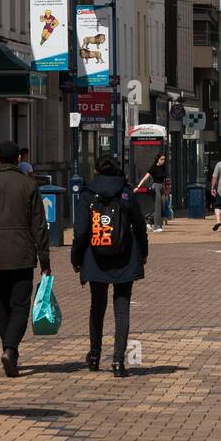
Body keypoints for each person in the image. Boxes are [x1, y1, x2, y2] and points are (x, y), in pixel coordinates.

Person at [0, 140, 51, 378]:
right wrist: (45, 260)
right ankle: (11, 349)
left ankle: (8, 348)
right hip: (22, 254)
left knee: (1, 307)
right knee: (20, 306)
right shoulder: (28, 185)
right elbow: (39, 225)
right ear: (18, 160)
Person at [71, 155, 149, 377]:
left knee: (97, 306)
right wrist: (143, 253)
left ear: (96, 171)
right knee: (121, 310)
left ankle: (94, 355)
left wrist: (76, 258)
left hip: (96, 257)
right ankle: (118, 361)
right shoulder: (126, 193)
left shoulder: (88, 194)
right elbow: (139, 226)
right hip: (125, 256)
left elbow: (80, 231)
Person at [136, 153, 168, 233]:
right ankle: (157, 227)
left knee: (163, 206)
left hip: (162, 187)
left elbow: (165, 179)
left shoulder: (163, 167)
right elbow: (145, 178)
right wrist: (138, 187)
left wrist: (166, 190)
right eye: (161, 159)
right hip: (156, 187)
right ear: (158, 159)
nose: (163, 161)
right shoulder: (154, 167)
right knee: (158, 207)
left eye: (164, 159)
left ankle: (149, 220)